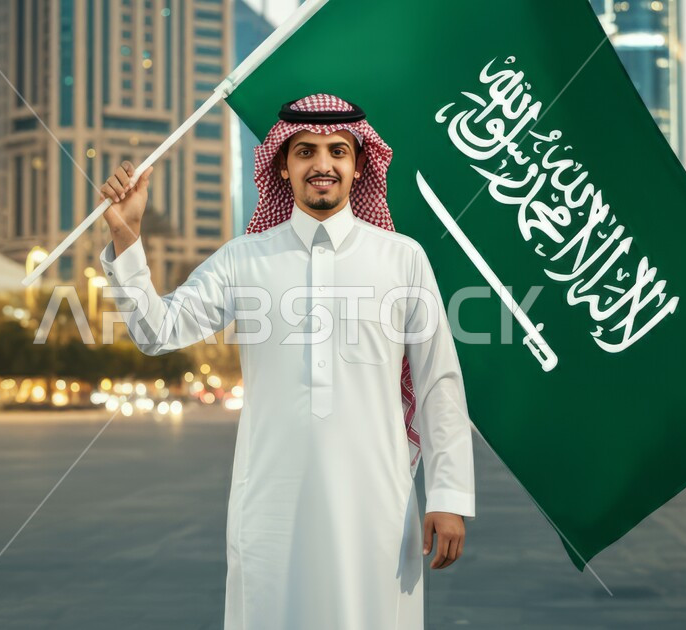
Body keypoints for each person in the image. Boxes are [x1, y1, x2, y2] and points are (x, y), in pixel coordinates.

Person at [97, 93, 476, 630]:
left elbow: (439, 382)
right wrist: (126, 237)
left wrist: (448, 494)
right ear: (282, 163)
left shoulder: (402, 257)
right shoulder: (242, 259)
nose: (323, 165)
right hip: (270, 508)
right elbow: (158, 332)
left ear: (360, 163)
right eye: (306, 151)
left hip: (378, 505)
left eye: (337, 151)